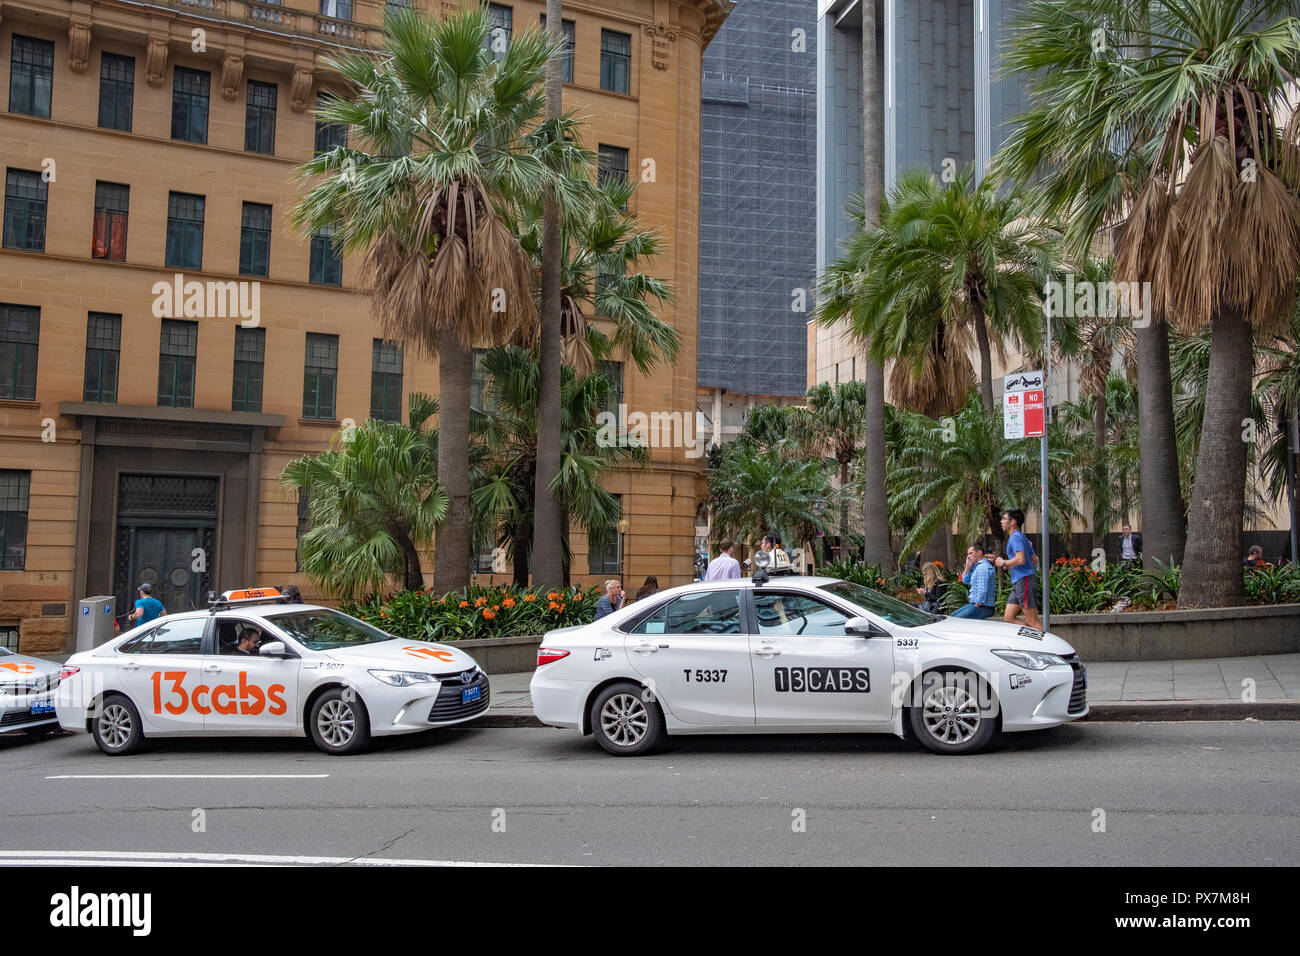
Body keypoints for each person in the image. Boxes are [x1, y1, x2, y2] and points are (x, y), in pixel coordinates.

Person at [994, 509, 1042, 630]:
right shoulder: (1021, 537)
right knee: (1009, 618)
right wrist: (1010, 564)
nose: (1001, 521)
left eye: (1004, 519)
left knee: (1032, 620)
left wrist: (1003, 562)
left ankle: (1047, 646)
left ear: (1013, 522)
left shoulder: (1015, 537)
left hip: (1024, 580)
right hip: (1019, 581)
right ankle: (1033, 636)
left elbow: (1021, 560)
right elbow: (1034, 559)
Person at [951, 543, 997, 619]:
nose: (968, 556)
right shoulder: (978, 566)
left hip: (982, 608)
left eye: (971, 553)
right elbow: (965, 580)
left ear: (979, 553)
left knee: (953, 621)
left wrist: (977, 604)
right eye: (968, 554)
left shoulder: (983, 567)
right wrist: (967, 567)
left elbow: (983, 589)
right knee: (950, 618)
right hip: (975, 606)